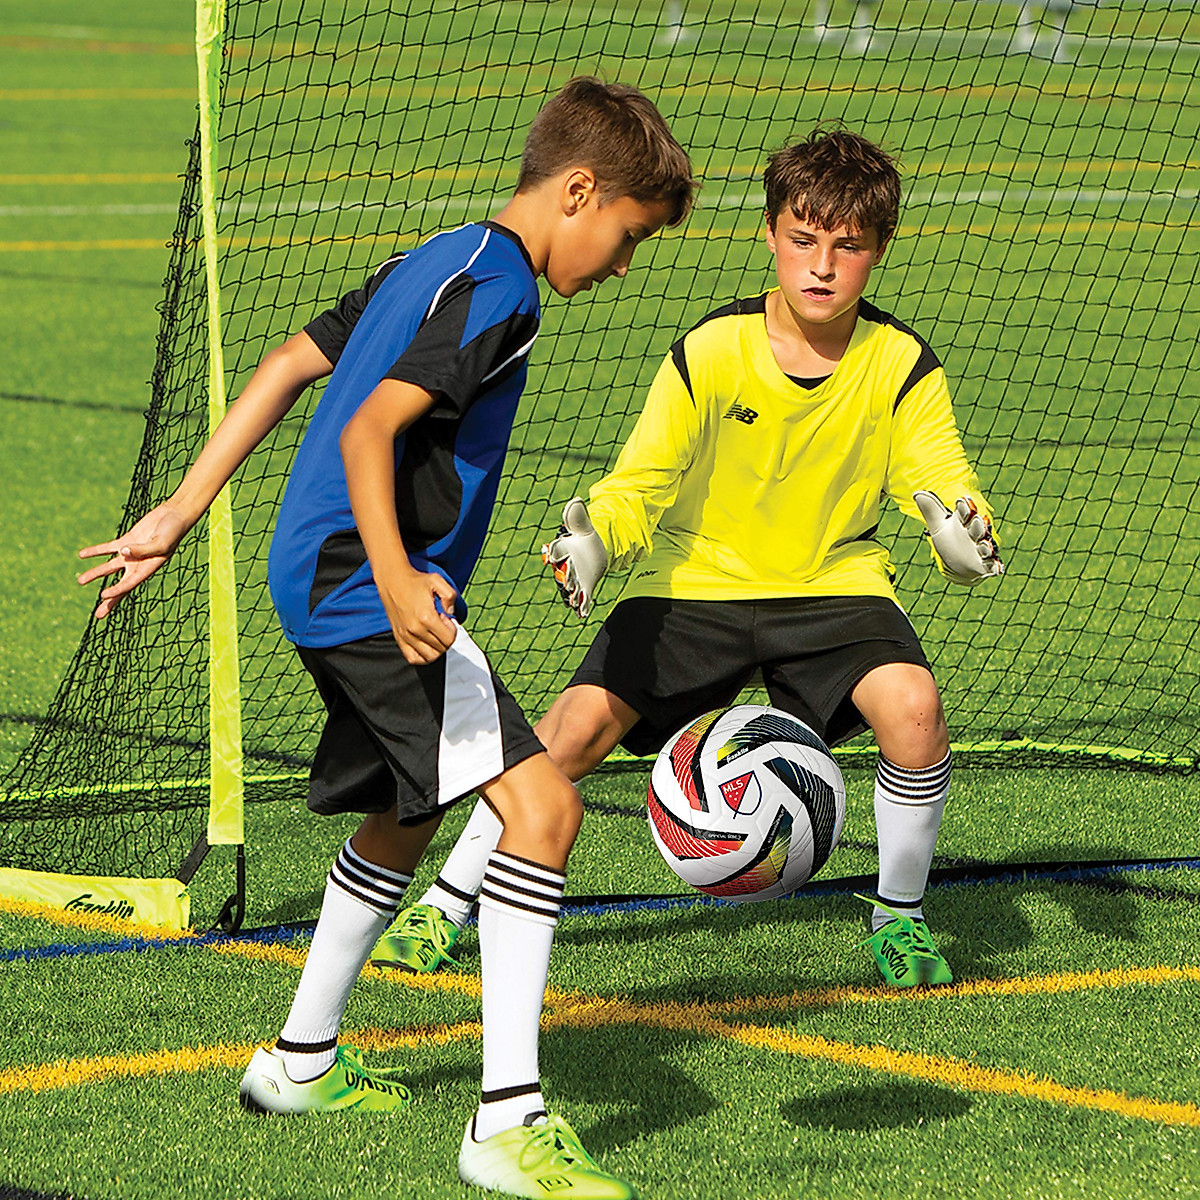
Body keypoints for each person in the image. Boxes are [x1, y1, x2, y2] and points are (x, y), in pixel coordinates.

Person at [77, 76, 695, 1200]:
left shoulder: (442, 251)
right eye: (628, 236)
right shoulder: (502, 290)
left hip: (319, 576)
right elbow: (368, 427)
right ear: (578, 189)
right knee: (545, 806)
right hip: (366, 588)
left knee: (409, 809)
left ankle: (298, 1062)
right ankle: (506, 1125)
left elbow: (288, 360)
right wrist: (403, 573)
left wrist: (180, 511)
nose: (621, 264)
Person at [372, 125, 1004, 991]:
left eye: (847, 247)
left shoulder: (901, 366)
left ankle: (900, 916)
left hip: (832, 583)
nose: (821, 266)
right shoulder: (712, 349)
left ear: (879, 249)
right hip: (694, 581)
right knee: (571, 730)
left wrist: (962, 535)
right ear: (771, 235)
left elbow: (943, 481)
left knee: (916, 707)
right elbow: (640, 484)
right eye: (803, 241)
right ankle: (446, 905)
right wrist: (596, 538)